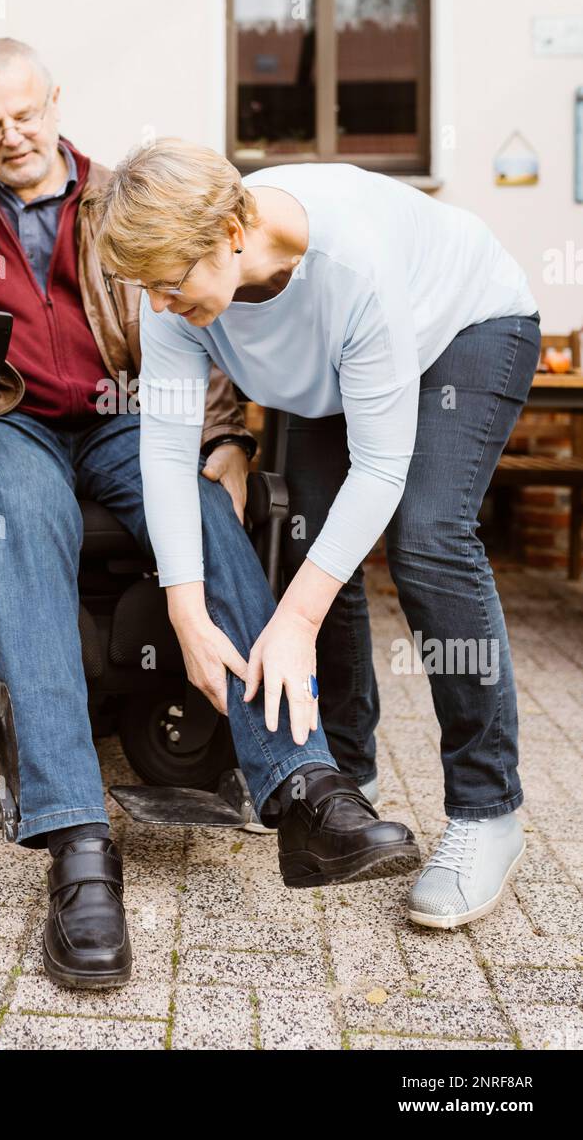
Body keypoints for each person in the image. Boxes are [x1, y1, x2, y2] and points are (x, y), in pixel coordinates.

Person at [0, 42, 418, 993]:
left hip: (129, 415)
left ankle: (302, 789)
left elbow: (194, 321)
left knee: (207, 512)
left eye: (23, 114)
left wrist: (226, 441)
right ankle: (76, 839)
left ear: (54, 103)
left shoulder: (129, 198)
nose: (10, 137)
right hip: (4, 424)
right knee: (20, 513)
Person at [93, 136, 541, 930]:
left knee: (428, 539)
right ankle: (340, 776)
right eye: (146, 289)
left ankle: (486, 810)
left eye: (169, 286)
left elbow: (380, 470)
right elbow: (163, 452)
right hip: (332, 371)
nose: (158, 307)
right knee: (307, 543)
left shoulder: (351, 264)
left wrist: (294, 622)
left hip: (464, 326)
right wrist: (187, 613)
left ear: (233, 233)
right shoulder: (171, 286)